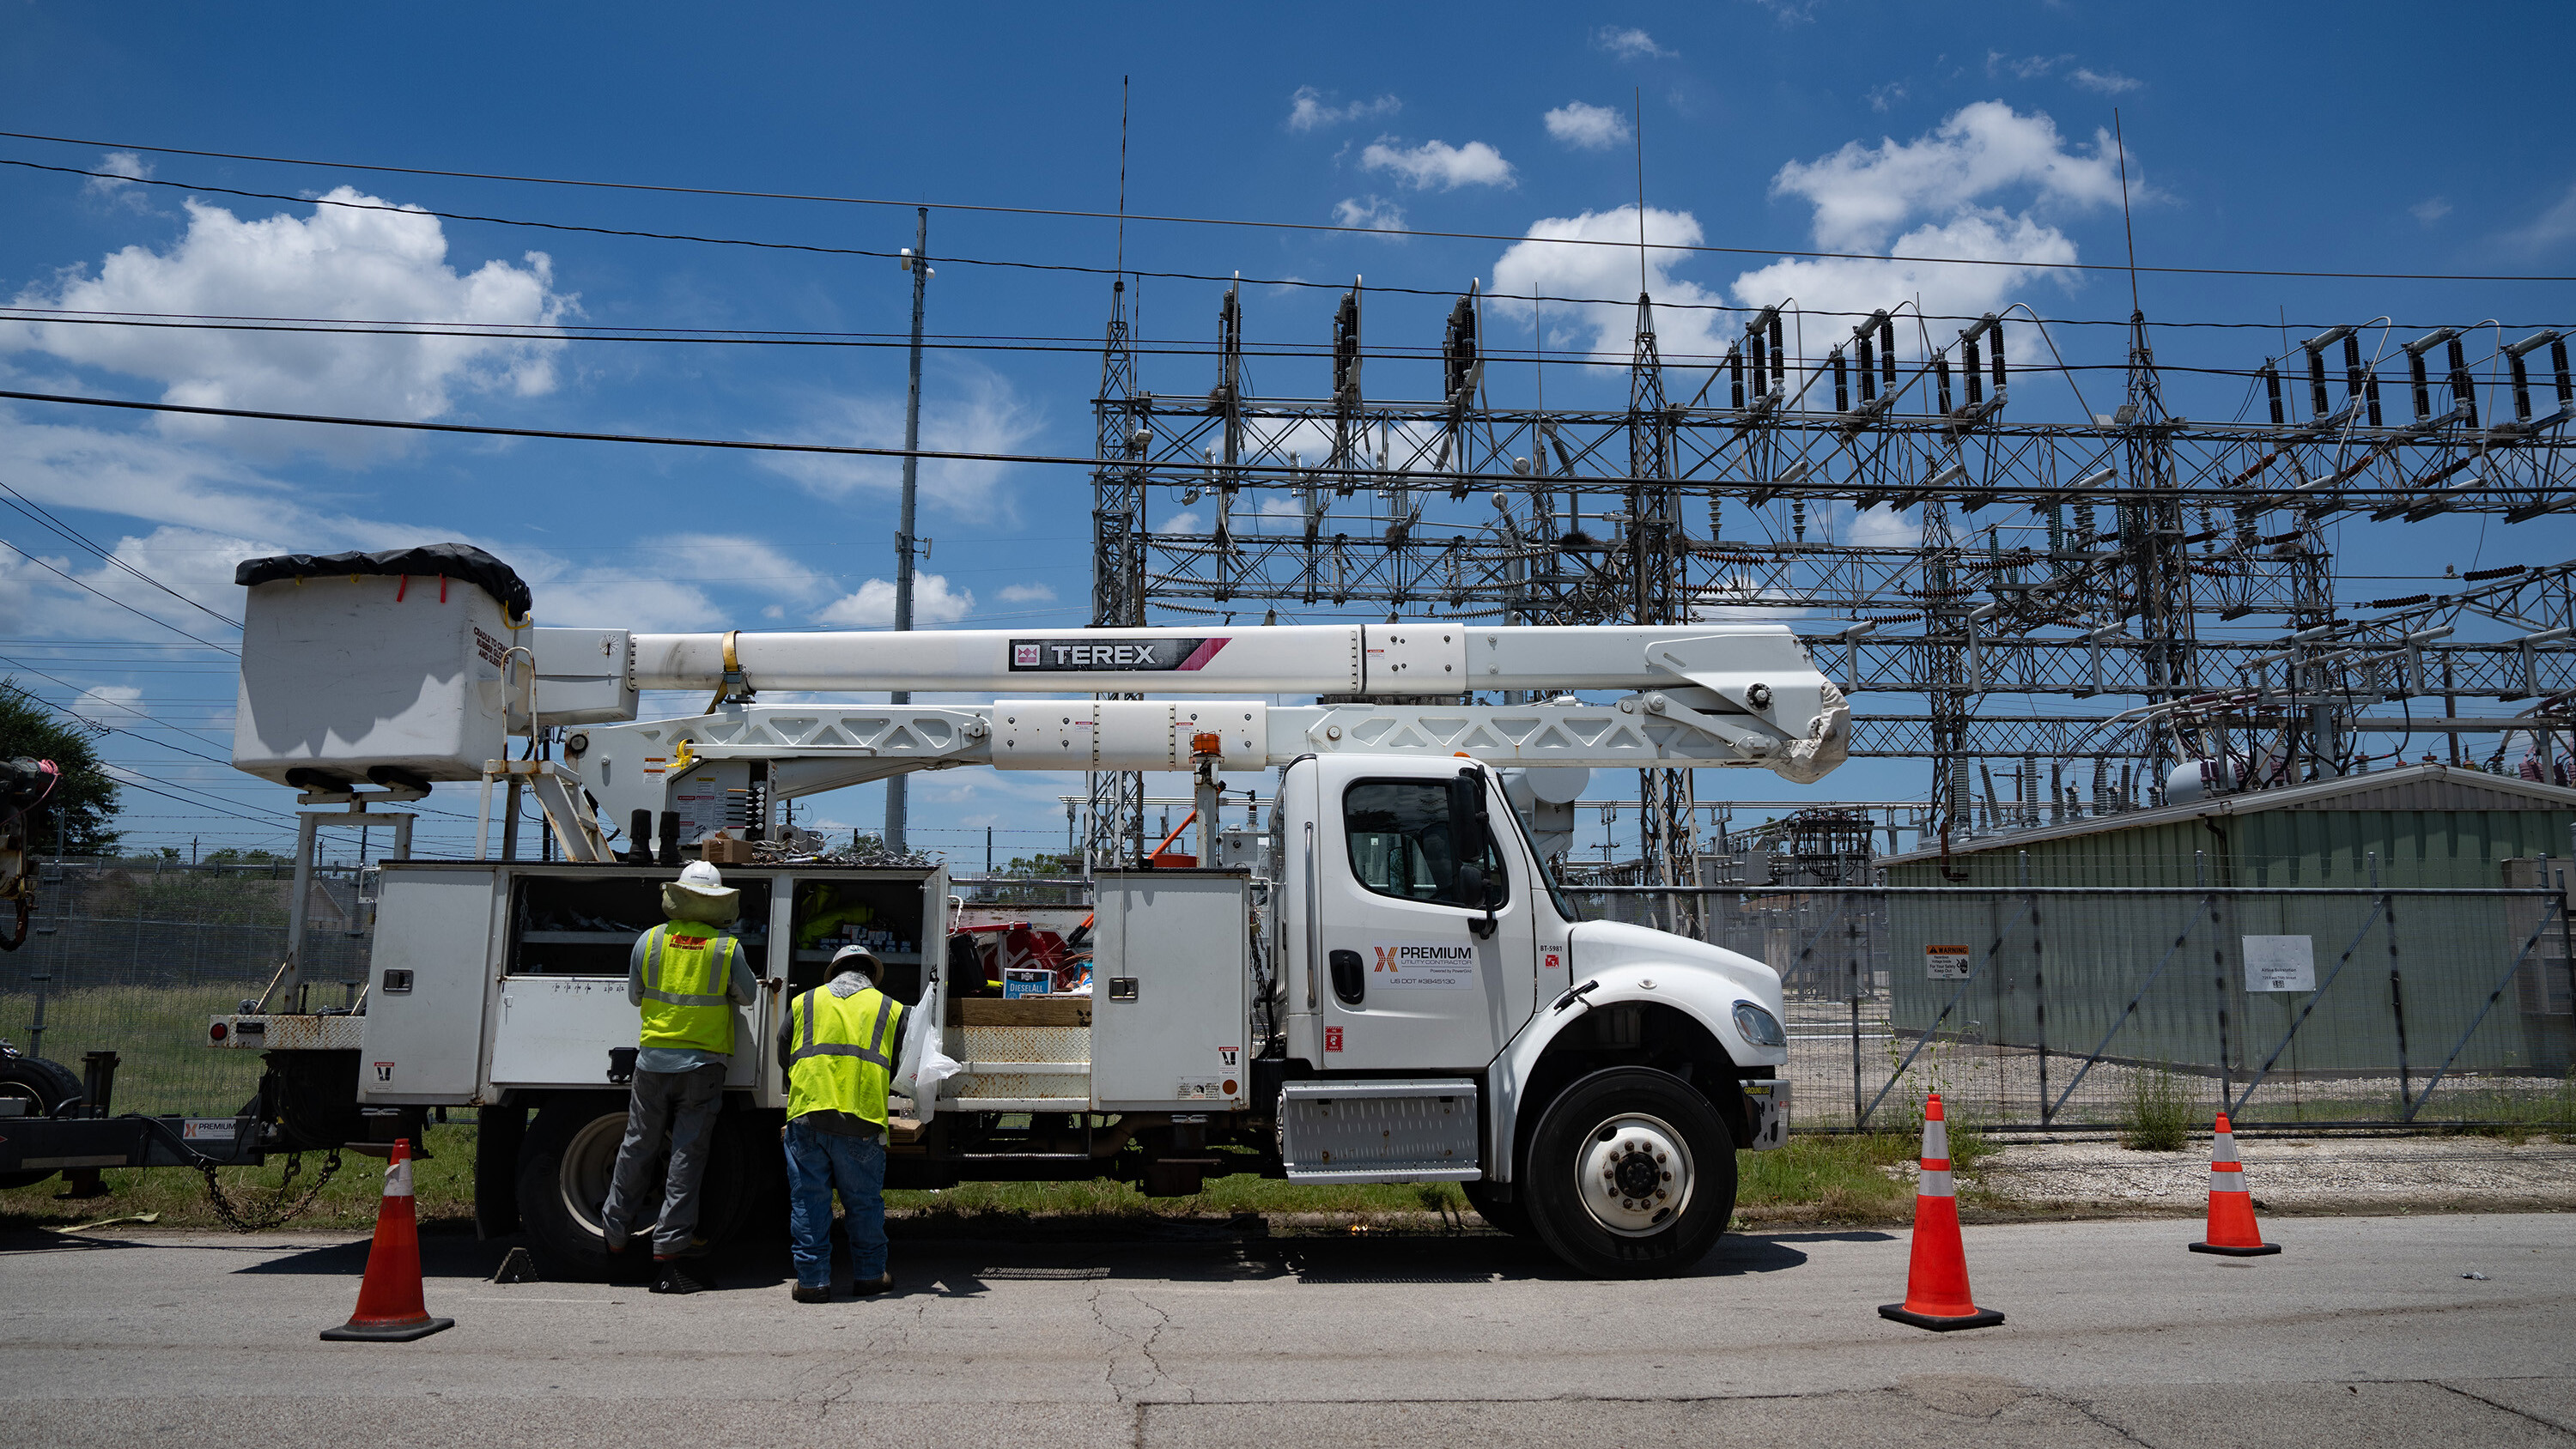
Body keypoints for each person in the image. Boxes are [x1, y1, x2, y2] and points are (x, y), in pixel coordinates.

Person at [601, 859, 762, 1294]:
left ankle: (614, 1235)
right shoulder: (727, 949)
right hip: (702, 1068)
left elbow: (636, 996)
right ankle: (669, 1247)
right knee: (686, 1157)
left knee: (637, 1147)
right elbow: (747, 996)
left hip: (652, 1064)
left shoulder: (649, 941)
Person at [778, 943, 909, 1302]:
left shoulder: (804, 1001)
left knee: (808, 1201)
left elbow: (783, 1051)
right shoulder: (891, 1008)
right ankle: (869, 1276)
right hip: (861, 1117)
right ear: (870, 973)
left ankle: (812, 1283)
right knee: (864, 1203)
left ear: (834, 972)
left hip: (808, 1113)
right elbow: (903, 1064)